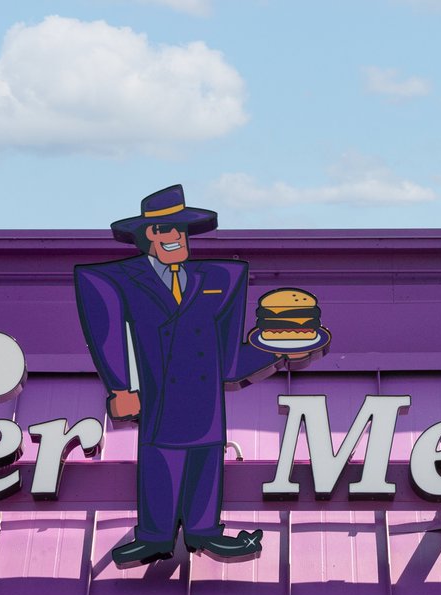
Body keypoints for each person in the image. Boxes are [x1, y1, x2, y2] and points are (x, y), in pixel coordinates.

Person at [73, 185, 325, 566]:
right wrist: (120, 386)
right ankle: (155, 536)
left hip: (205, 399)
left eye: (180, 229)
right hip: (155, 395)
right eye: (162, 230)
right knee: (160, 459)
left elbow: (228, 361)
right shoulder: (116, 278)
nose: (174, 237)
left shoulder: (223, 276)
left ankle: (203, 530)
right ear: (145, 236)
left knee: (206, 458)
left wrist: (278, 349)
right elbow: (106, 332)